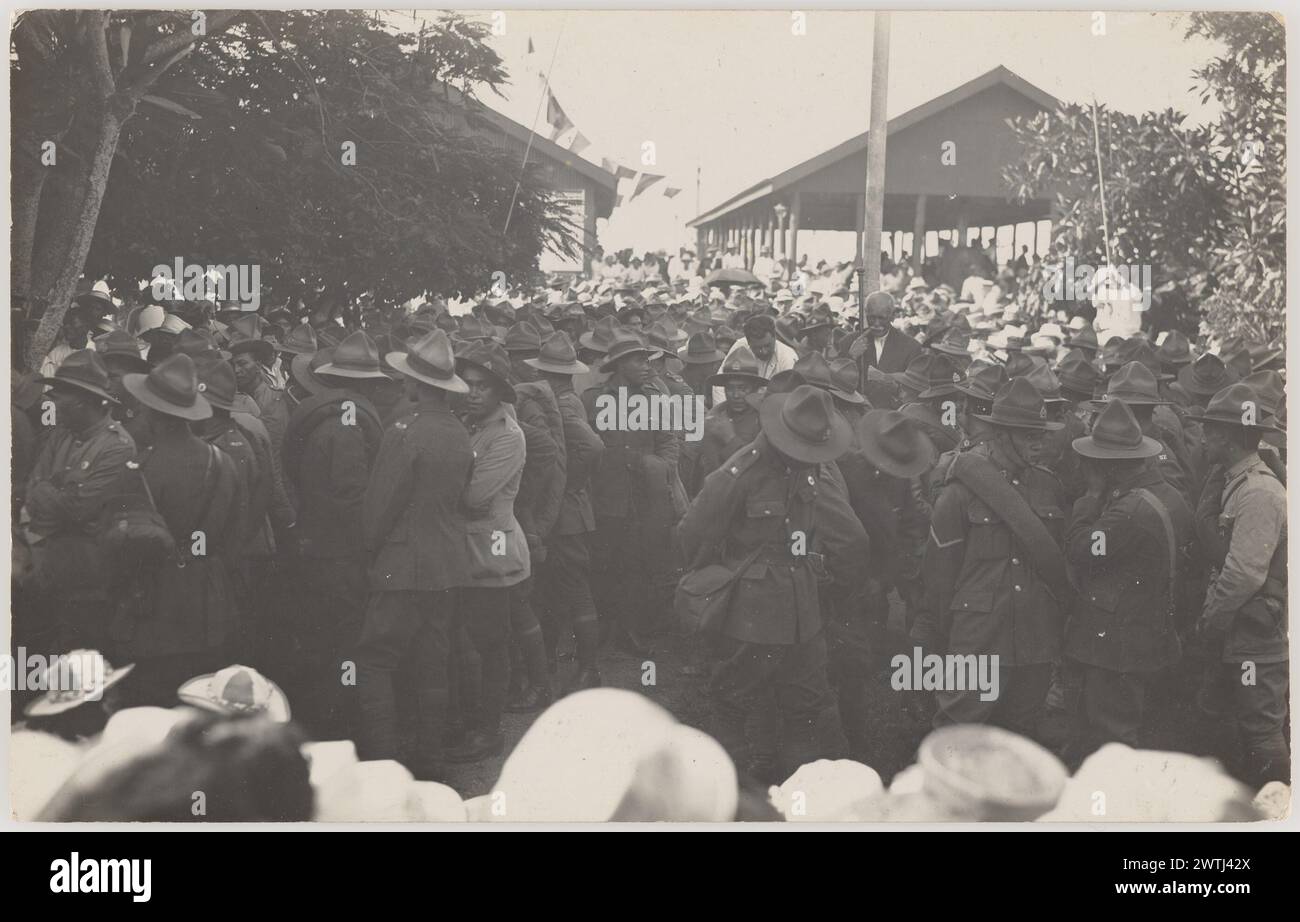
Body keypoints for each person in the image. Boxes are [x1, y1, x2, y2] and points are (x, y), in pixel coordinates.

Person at [678, 385, 868, 780]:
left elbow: (844, 537)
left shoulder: (809, 470)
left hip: (803, 613)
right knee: (733, 701)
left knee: (806, 706)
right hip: (751, 613)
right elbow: (694, 533)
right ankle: (731, 792)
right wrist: (720, 578)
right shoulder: (740, 472)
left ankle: (794, 791)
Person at [911, 377, 1068, 738]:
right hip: (978, 636)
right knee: (957, 732)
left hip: (1034, 635)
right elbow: (939, 576)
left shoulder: (1048, 485)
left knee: (1019, 736)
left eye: (1041, 434)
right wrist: (949, 634)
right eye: (1029, 434)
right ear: (1002, 434)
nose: (1039, 442)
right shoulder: (960, 492)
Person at [357, 329, 472, 778]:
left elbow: (381, 505)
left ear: (416, 384)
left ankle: (382, 765)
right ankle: (433, 760)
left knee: (374, 658)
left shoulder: (404, 431)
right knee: (432, 660)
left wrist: (370, 549)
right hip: (446, 562)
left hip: (401, 564)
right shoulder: (459, 432)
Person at [1063, 399, 1191, 761]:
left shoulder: (1128, 511)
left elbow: (1080, 549)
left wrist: (1088, 499)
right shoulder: (1170, 496)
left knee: (1113, 737)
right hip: (1146, 630)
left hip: (1116, 643)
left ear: (1110, 468)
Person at [115, 354, 244, 707]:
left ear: (152, 411)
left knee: (152, 703)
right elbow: (235, 536)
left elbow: (126, 546)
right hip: (210, 603)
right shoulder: (223, 462)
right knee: (201, 704)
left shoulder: (142, 468)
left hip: (156, 606)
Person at [281, 331, 387, 738]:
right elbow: (350, 494)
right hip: (340, 552)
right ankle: (341, 721)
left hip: (319, 543)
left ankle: (328, 717)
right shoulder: (347, 421)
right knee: (343, 638)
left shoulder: (322, 413)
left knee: (325, 635)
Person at [1189, 383, 1289, 787]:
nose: (1204, 438)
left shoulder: (1259, 492)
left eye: (1211, 431)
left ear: (1229, 438)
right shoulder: (1239, 482)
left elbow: (1243, 574)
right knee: (1235, 720)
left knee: (1261, 729)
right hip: (1241, 635)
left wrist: (1210, 621)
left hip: (1253, 641)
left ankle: (1281, 808)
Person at [21, 351, 136, 653]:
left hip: (89, 580)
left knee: (81, 664)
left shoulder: (117, 447)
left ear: (82, 401)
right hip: (48, 568)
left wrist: (51, 491)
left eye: (59, 396)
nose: (53, 402)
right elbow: (34, 490)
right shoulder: (61, 434)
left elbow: (77, 509)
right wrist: (53, 493)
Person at [451, 340, 531, 761]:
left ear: (500, 392)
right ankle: (471, 721)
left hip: (490, 553)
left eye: (483, 385)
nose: (474, 390)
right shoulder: (469, 425)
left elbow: (474, 495)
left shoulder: (507, 436)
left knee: (489, 643)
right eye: (469, 382)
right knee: (468, 642)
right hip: (463, 551)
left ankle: (488, 730)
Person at [584, 329, 679, 653]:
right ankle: (601, 629)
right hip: (604, 493)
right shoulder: (594, 400)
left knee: (635, 563)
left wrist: (660, 467)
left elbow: (668, 440)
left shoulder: (653, 399)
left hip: (642, 495)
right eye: (639, 360)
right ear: (621, 364)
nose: (647, 366)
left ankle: (627, 630)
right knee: (602, 561)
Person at [526, 333, 606, 692]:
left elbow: (590, 445)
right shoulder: (561, 398)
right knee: (555, 589)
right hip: (565, 507)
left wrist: (566, 480)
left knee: (574, 589)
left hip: (566, 510)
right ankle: (554, 663)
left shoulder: (564, 403)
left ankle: (589, 667)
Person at [681, 347, 767, 498]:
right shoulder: (713, 418)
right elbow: (700, 472)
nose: (735, 395)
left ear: (755, 388)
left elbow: (762, 469)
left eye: (743, 388)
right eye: (730, 388)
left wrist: (730, 439)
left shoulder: (765, 420)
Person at [843, 291, 923, 404]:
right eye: (871, 318)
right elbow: (837, 381)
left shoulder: (911, 347)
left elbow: (915, 391)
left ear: (893, 315)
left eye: (882, 318)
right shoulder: (849, 342)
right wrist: (851, 356)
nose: (876, 323)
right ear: (865, 313)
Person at [712, 314, 798, 406]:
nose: (764, 351)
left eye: (767, 345)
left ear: (774, 337)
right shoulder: (741, 345)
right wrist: (723, 413)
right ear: (748, 342)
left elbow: (789, 399)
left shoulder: (788, 358)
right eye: (758, 348)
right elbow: (721, 383)